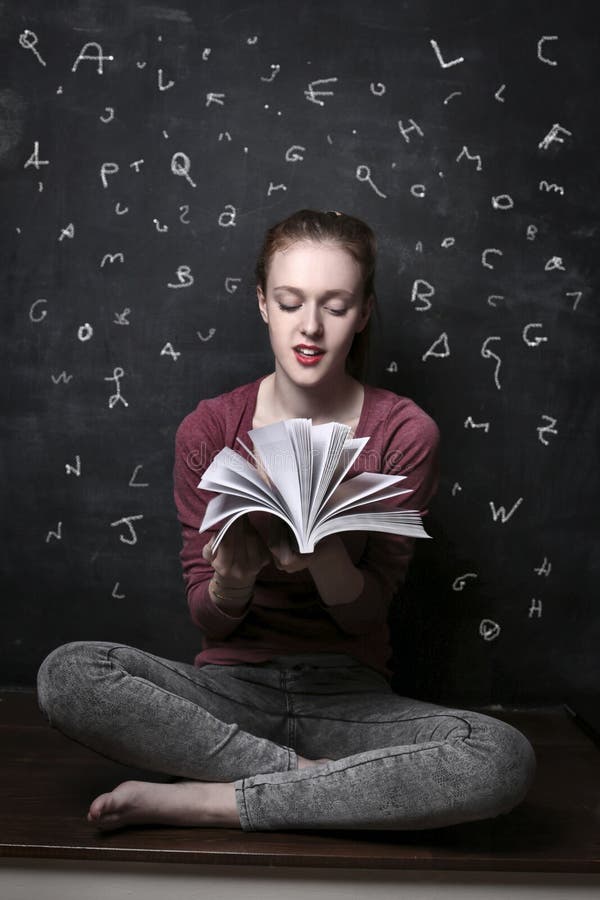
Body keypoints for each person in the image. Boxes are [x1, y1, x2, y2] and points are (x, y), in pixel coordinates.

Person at [37, 209, 536, 833]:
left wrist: (324, 555)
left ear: (363, 312)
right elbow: (207, 615)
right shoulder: (210, 429)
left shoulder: (403, 433)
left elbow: (368, 613)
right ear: (263, 304)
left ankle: (220, 799)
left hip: (349, 701)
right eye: (291, 300)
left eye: (335, 304)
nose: (310, 326)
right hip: (227, 698)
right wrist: (232, 582)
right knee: (70, 675)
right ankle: (307, 782)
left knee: (500, 756)